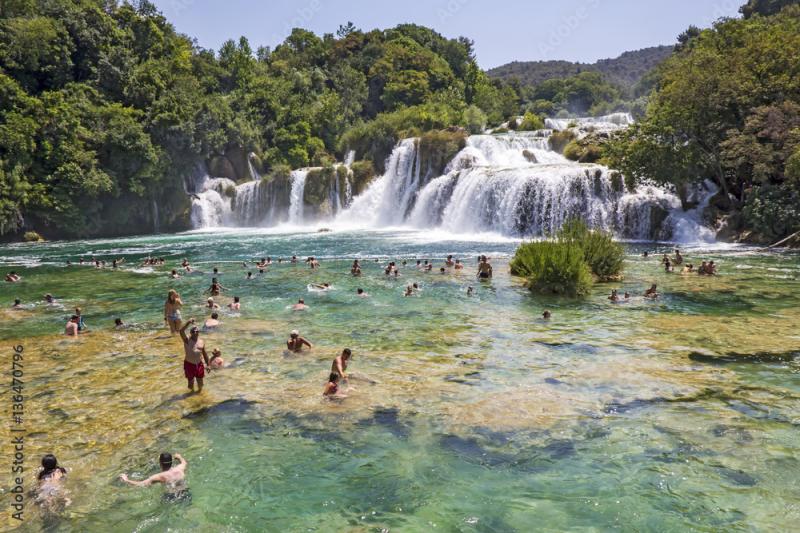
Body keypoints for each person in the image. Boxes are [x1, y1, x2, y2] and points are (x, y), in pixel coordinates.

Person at [120, 452, 189, 501]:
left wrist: (126, 480)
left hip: (171, 497)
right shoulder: (180, 468)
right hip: (185, 493)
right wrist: (179, 457)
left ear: (160, 463)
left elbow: (142, 484)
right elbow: (184, 462)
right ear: (171, 462)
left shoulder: (159, 476)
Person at [180, 319, 209, 392]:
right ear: (190, 333)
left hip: (199, 364)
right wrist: (188, 322)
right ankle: (191, 394)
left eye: (197, 331)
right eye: (193, 331)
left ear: (199, 332)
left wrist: (208, 365)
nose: (195, 332)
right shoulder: (187, 340)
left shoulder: (201, 341)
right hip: (189, 364)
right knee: (190, 383)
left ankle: (199, 393)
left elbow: (205, 354)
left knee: (200, 383)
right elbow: (181, 331)